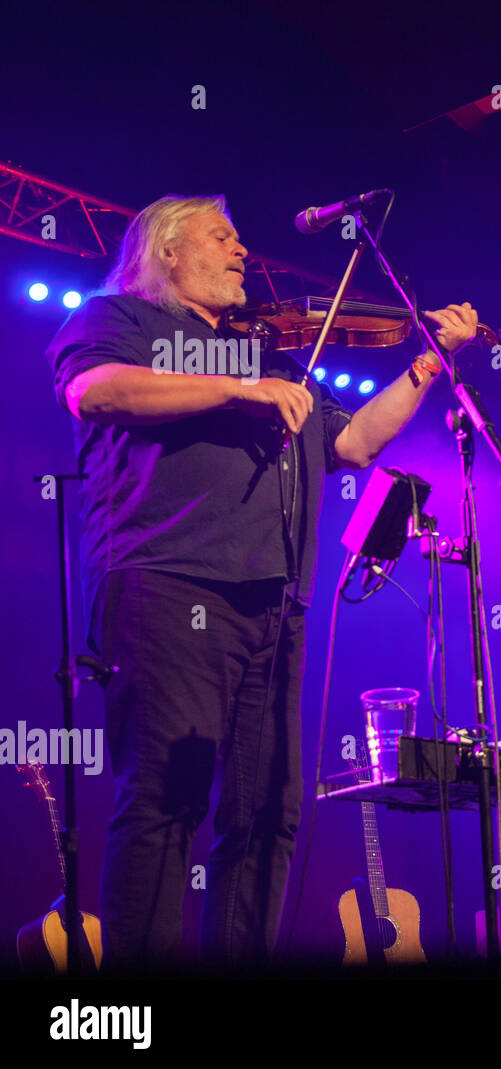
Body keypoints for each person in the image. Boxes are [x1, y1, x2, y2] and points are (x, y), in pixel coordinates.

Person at [44, 193, 477, 968]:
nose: (243, 251)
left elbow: (351, 443)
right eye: (222, 237)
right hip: (167, 580)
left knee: (268, 812)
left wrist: (424, 366)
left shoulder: (270, 358)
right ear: (168, 252)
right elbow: (95, 390)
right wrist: (235, 389)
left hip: (276, 601)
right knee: (164, 799)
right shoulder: (124, 322)